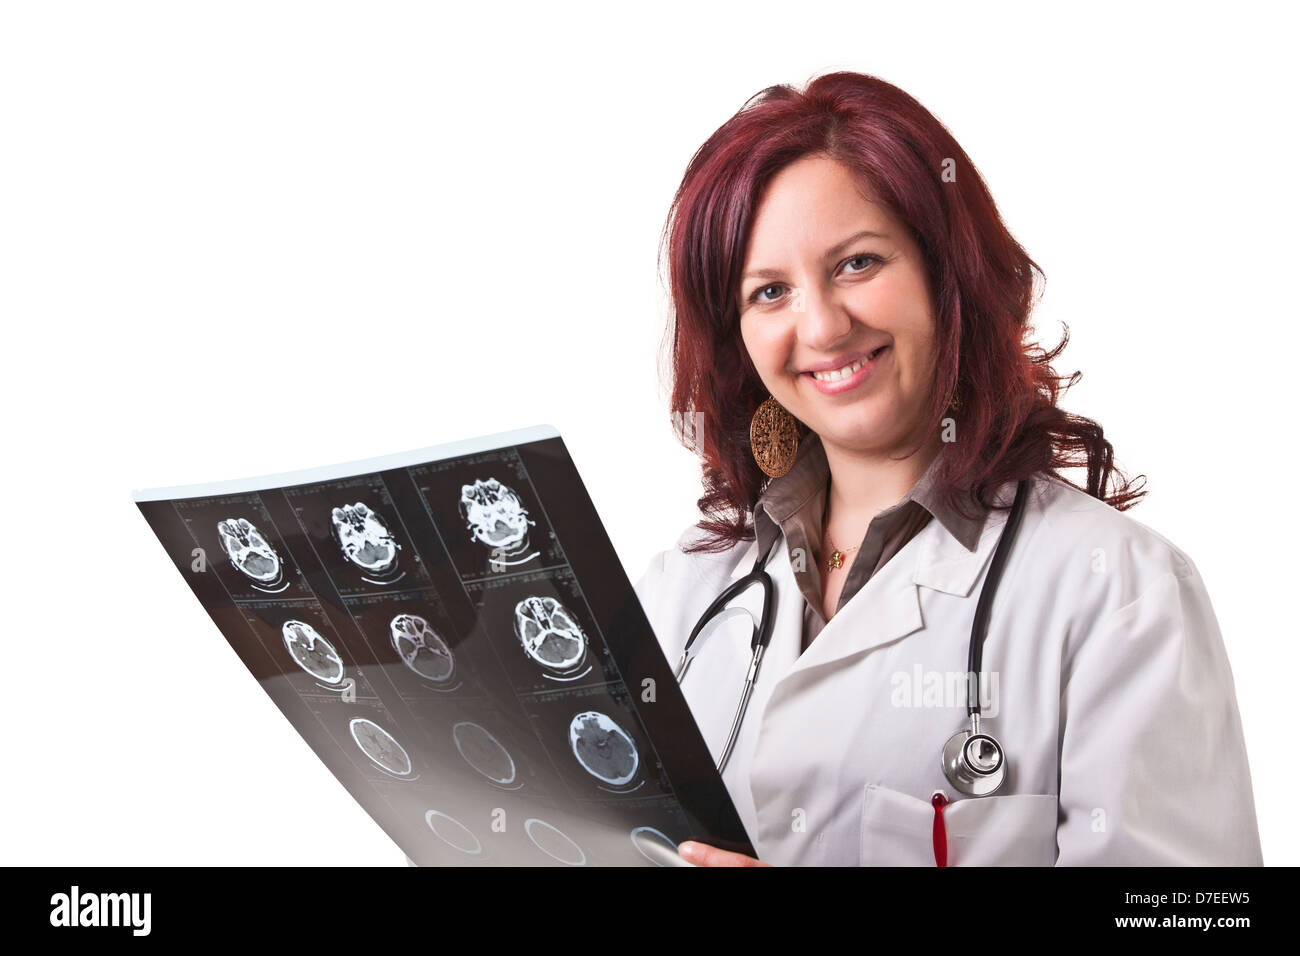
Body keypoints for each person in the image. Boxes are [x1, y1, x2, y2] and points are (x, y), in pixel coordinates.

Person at [633, 71, 1262, 867]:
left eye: (858, 263)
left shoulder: (1115, 591)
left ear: (947, 274)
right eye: (770, 292)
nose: (822, 325)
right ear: (737, 335)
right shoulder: (679, 596)